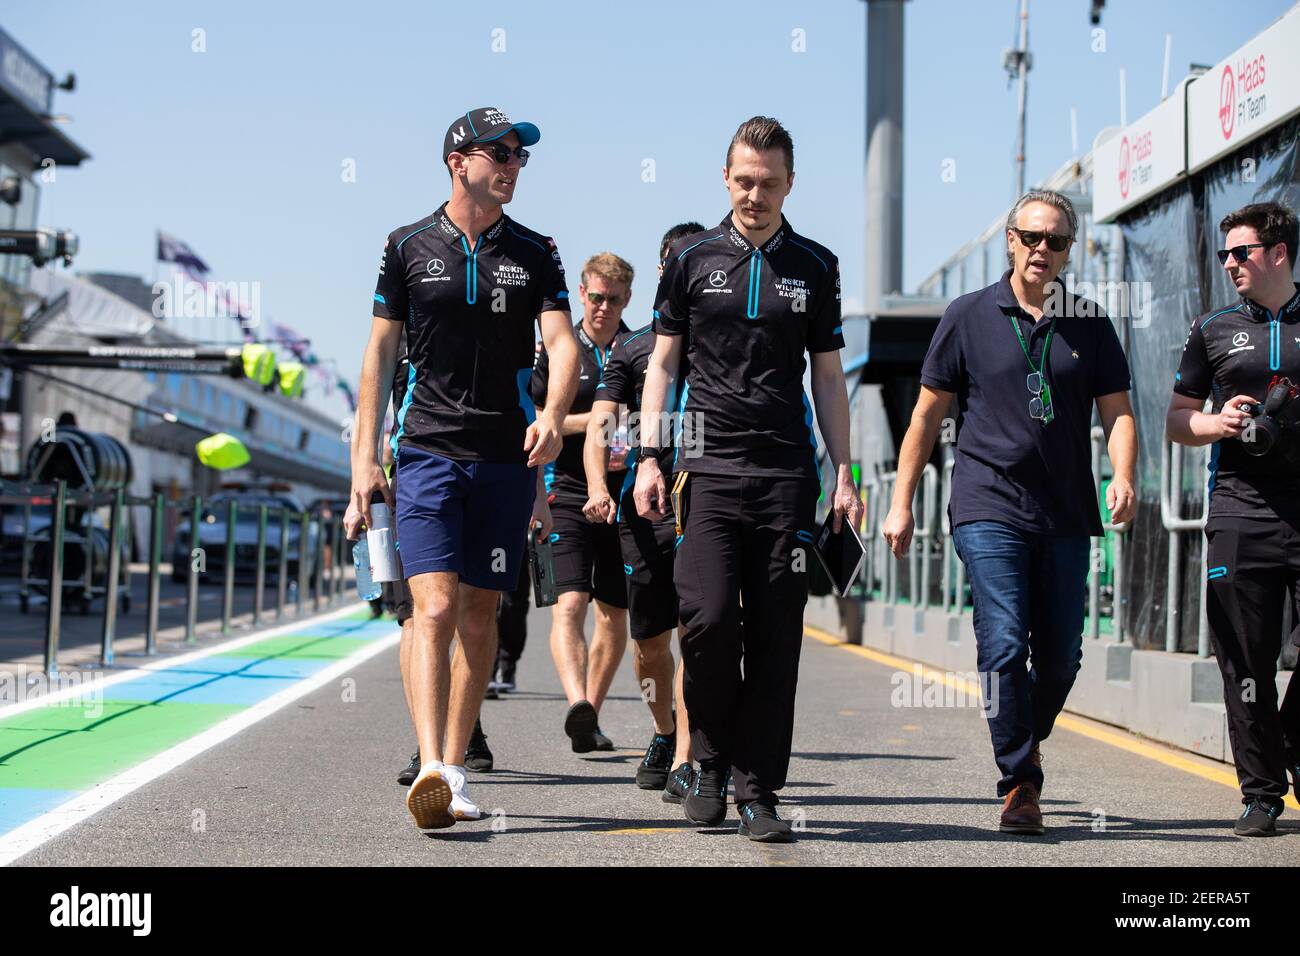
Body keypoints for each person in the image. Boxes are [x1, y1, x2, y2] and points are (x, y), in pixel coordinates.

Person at [883, 188, 1137, 835]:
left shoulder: (1091, 323)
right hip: (986, 502)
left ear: (1068, 251)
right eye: (1030, 237)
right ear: (1010, 241)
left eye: (1055, 241)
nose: (1041, 251)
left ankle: (1024, 727)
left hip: (1066, 512)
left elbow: (1120, 413)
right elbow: (926, 415)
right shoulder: (967, 316)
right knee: (1002, 642)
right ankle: (1020, 781)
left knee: (1061, 658)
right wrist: (901, 501)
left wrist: (1126, 474)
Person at [635, 117, 861, 843]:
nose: (754, 194)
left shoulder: (817, 266)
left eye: (768, 182)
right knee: (702, 620)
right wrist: (646, 453)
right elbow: (663, 365)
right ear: (725, 180)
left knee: (774, 634)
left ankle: (757, 788)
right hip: (703, 467)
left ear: (790, 184)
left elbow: (827, 377)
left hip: (785, 473)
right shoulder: (693, 259)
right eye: (743, 181)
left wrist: (845, 473)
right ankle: (704, 760)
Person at [350, 106, 577, 830]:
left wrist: (553, 413)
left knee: (482, 613)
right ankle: (434, 769)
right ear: (459, 161)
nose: (512, 166)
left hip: (505, 456)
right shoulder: (406, 246)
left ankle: (452, 763)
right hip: (424, 449)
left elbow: (563, 344)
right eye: (501, 153)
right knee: (435, 608)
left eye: (520, 157)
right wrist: (363, 460)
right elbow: (380, 356)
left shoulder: (538, 252)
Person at [1166, 201, 1300, 837]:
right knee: (1245, 659)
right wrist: (1216, 424)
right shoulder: (1211, 328)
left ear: (1277, 253)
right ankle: (1262, 795)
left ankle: (1290, 736)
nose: (1229, 264)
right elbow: (1176, 418)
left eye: (1240, 252)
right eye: (1224, 254)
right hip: (1240, 511)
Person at [584, 223, 703, 801]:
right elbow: (601, 425)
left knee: (698, 629)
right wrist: (597, 483)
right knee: (650, 642)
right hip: (645, 506)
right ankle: (664, 731)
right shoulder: (631, 350)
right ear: (664, 271)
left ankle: (687, 756)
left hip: (707, 500)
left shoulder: (719, 340)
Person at [530, 253, 635, 752]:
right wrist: (597, 420)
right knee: (569, 602)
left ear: (626, 300)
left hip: (625, 494)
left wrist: (623, 432)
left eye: (613, 300)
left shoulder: (640, 350)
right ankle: (576, 701)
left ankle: (590, 714)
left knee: (615, 612)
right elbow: (537, 421)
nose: (602, 308)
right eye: (595, 298)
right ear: (582, 292)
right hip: (564, 490)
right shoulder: (558, 348)